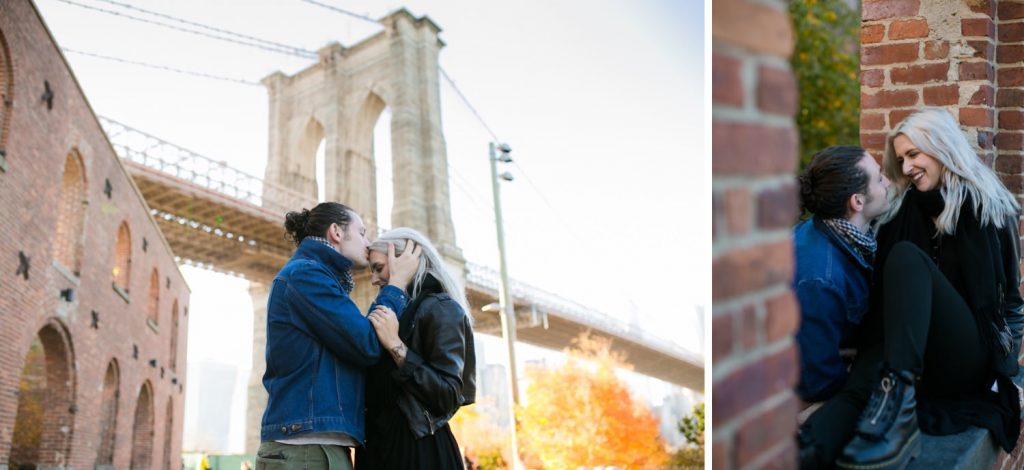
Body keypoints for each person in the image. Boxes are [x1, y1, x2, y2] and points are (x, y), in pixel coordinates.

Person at [799, 108, 1024, 470]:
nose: (905, 168)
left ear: (941, 148)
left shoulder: (991, 209)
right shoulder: (896, 212)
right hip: (901, 349)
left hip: (962, 353)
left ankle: (898, 413)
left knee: (906, 257)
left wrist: (1008, 366)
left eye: (913, 155)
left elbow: (1012, 301)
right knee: (860, 390)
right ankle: (805, 451)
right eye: (901, 159)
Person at [256, 202, 422, 470]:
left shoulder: (318, 278)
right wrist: (397, 285)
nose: (368, 244)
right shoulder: (306, 275)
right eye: (362, 232)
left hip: (315, 446)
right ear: (336, 231)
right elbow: (367, 344)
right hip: (306, 450)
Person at [354, 227, 476, 470]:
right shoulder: (394, 309)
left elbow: (448, 395)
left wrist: (397, 346)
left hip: (417, 450)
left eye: (378, 268)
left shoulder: (441, 308)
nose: (374, 279)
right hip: (377, 447)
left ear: (407, 260)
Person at [794, 145, 891, 403]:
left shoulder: (847, 233)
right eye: (880, 178)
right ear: (857, 201)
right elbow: (817, 381)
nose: (888, 183)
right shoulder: (820, 280)